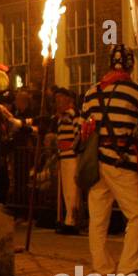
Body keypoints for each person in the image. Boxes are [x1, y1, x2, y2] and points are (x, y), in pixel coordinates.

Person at [78, 45, 138, 276]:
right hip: (120, 161)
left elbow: (81, 127)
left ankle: (102, 270)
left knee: (98, 220)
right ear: (131, 65)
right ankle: (129, 270)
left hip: (95, 162)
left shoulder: (90, 93)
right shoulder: (133, 90)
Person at [53, 88, 80, 235]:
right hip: (64, 156)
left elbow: (78, 135)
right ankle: (67, 219)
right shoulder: (60, 117)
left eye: (60, 100)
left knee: (72, 191)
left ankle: (72, 221)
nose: (58, 103)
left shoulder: (72, 115)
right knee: (66, 191)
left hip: (71, 156)